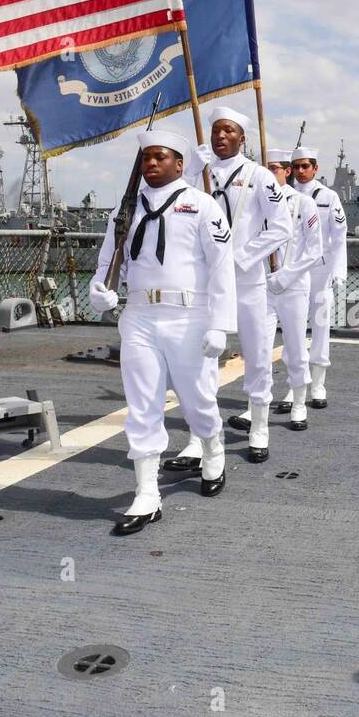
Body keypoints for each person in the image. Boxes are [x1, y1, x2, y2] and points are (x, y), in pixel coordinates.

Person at [89, 127, 236, 535]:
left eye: (160, 157)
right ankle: (146, 493)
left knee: (197, 399)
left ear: (179, 163)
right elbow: (107, 263)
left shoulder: (202, 206)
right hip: (138, 315)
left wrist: (222, 325)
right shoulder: (125, 211)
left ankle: (212, 447)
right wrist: (99, 292)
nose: (151, 163)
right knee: (142, 405)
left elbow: (222, 269)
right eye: (146, 158)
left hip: (188, 316)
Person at [163, 106, 292, 468]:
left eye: (228, 131)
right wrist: (189, 171)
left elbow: (281, 226)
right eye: (216, 130)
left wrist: (241, 258)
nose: (220, 136)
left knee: (256, 354)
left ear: (242, 138)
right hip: (205, 284)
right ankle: (198, 436)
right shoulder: (197, 173)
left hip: (247, 281)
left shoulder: (260, 176)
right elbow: (173, 207)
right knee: (200, 360)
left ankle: (259, 427)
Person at [229, 149, 324, 431]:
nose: (269, 173)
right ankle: (254, 408)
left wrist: (287, 275)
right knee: (258, 349)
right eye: (266, 167)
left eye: (275, 168)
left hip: (292, 286)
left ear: (287, 171)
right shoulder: (253, 203)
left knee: (295, 347)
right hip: (262, 286)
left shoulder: (304, 204)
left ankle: (298, 402)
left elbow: (315, 249)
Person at [290, 146, 347, 408]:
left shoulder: (329, 197)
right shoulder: (283, 196)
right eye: (297, 166)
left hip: (321, 272)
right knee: (294, 330)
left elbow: (339, 236)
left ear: (315, 168)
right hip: (294, 272)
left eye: (306, 166)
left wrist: (338, 271)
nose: (301, 171)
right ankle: (296, 385)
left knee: (321, 326)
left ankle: (319, 384)